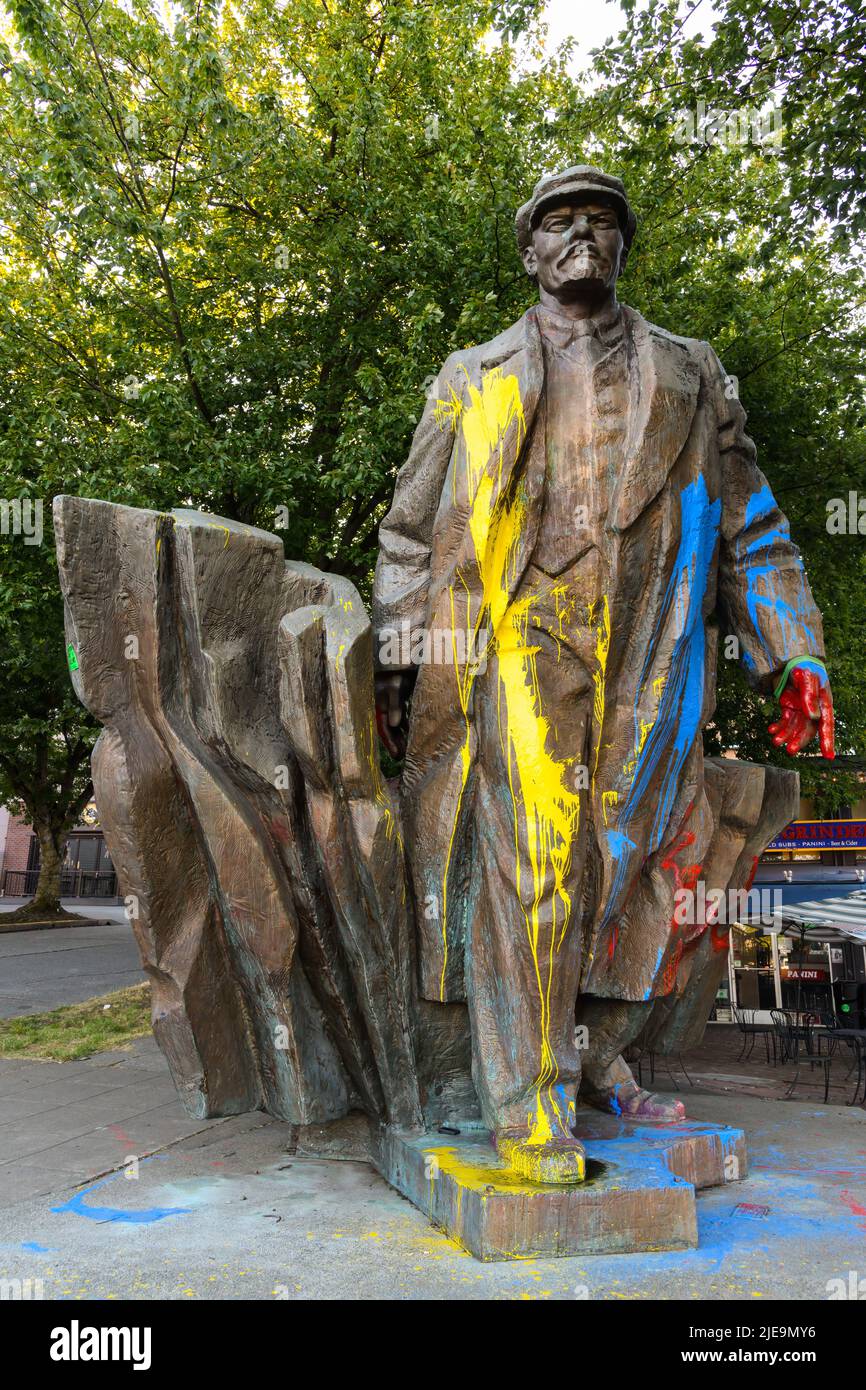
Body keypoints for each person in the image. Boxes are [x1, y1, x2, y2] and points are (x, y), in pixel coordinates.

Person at [373, 165, 834, 1183]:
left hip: (651, 652)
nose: (581, 234)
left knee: (627, 863)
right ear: (529, 249)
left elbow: (751, 530)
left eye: (600, 222)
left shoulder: (691, 371)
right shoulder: (472, 374)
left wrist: (791, 649)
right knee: (534, 865)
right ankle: (528, 1100)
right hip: (519, 644)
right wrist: (401, 663)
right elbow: (409, 533)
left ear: (622, 246)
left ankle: (590, 1056)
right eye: (558, 221)